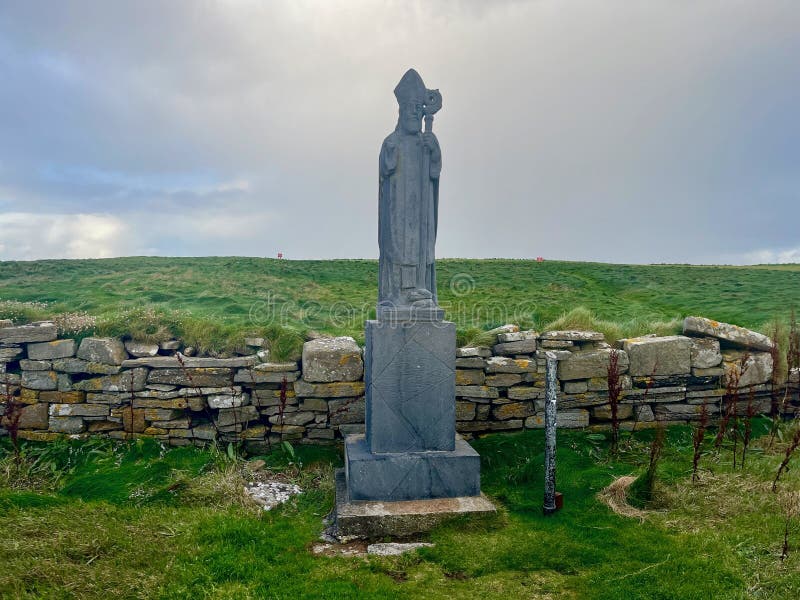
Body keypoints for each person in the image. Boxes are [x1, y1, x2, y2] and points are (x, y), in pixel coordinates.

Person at [378, 69, 442, 313]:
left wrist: (434, 151)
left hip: (421, 210)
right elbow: (385, 170)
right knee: (398, 247)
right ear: (401, 112)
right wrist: (391, 154)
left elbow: (434, 172)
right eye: (410, 109)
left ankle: (422, 291)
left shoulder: (426, 142)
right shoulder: (392, 141)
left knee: (420, 247)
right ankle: (397, 294)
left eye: (418, 109)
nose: (414, 113)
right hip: (398, 210)